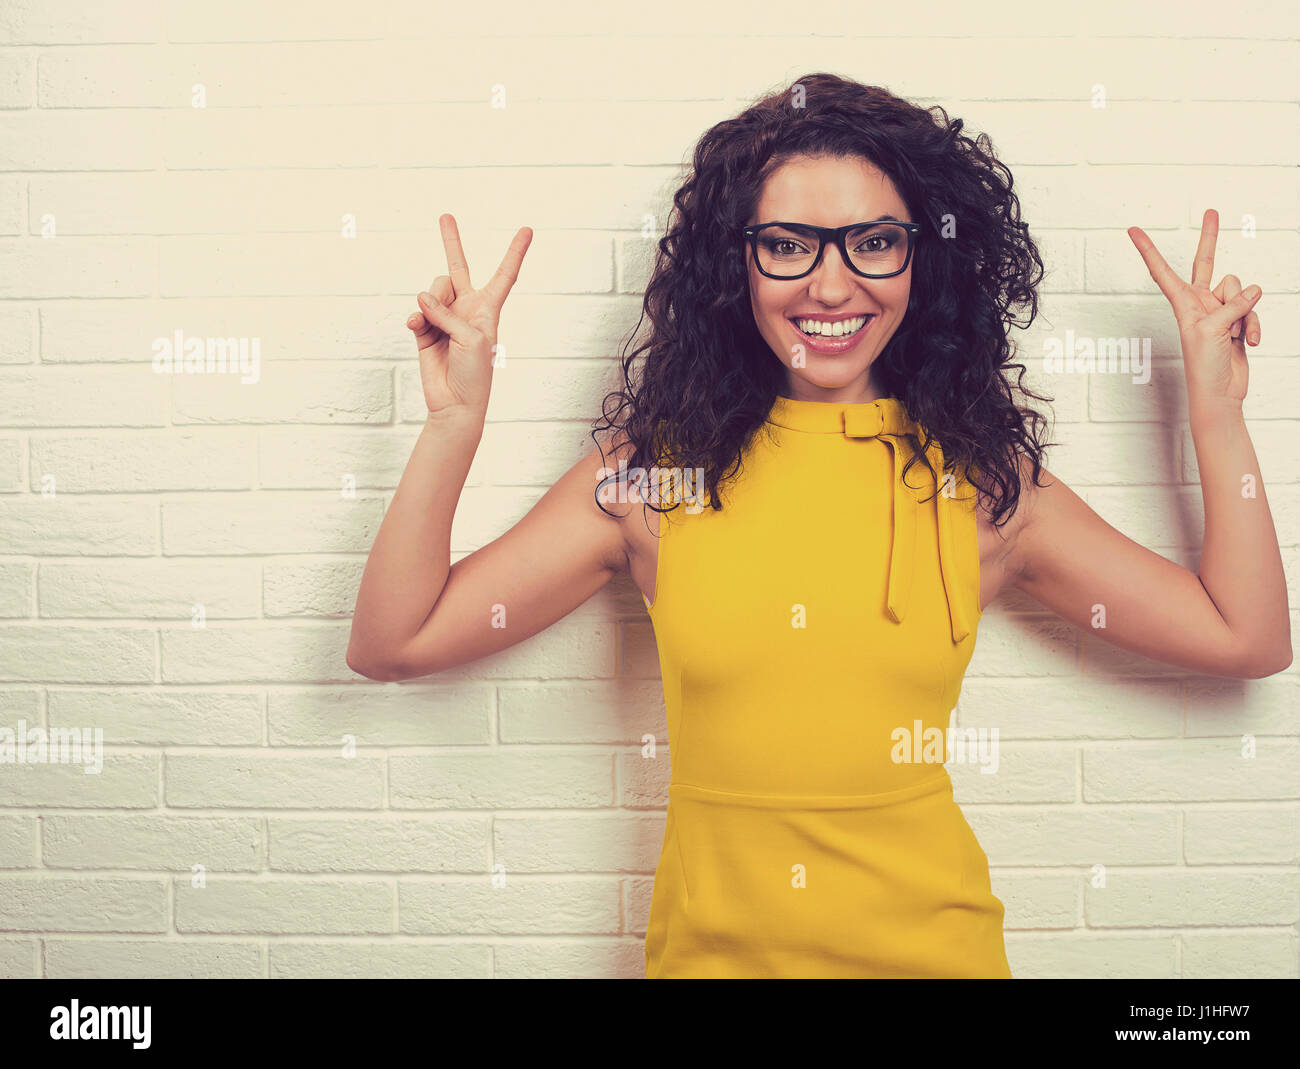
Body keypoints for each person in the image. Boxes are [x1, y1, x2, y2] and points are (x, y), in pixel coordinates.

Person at [346, 72, 1291, 978]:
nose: (832, 287)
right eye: (789, 245)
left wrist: (1216, 411)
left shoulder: (989, 488)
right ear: (738, 265)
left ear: (925, 259)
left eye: (874, 242)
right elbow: (396, 639)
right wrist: (454, 422)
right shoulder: (651, 480)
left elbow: (1244, 636)